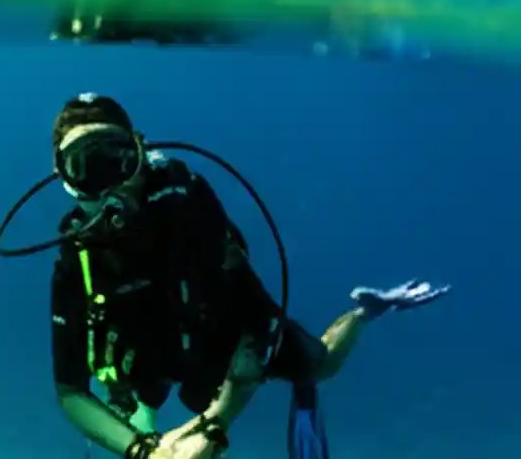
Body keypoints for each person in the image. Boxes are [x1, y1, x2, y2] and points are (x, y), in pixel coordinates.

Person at [34, 93, 449, 459]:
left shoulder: (185, 202)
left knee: (321, 365)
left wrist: (215, 425)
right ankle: (149, 416)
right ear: (64, 179)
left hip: (223, 334)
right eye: (86, 167)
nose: (109, 188)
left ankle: (366, 312)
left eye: (118, 160)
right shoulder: (77, 258)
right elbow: (70, 389)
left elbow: (257, 316)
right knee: (144, 409)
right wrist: (145, 450)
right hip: (146, 360)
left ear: (140, 153)